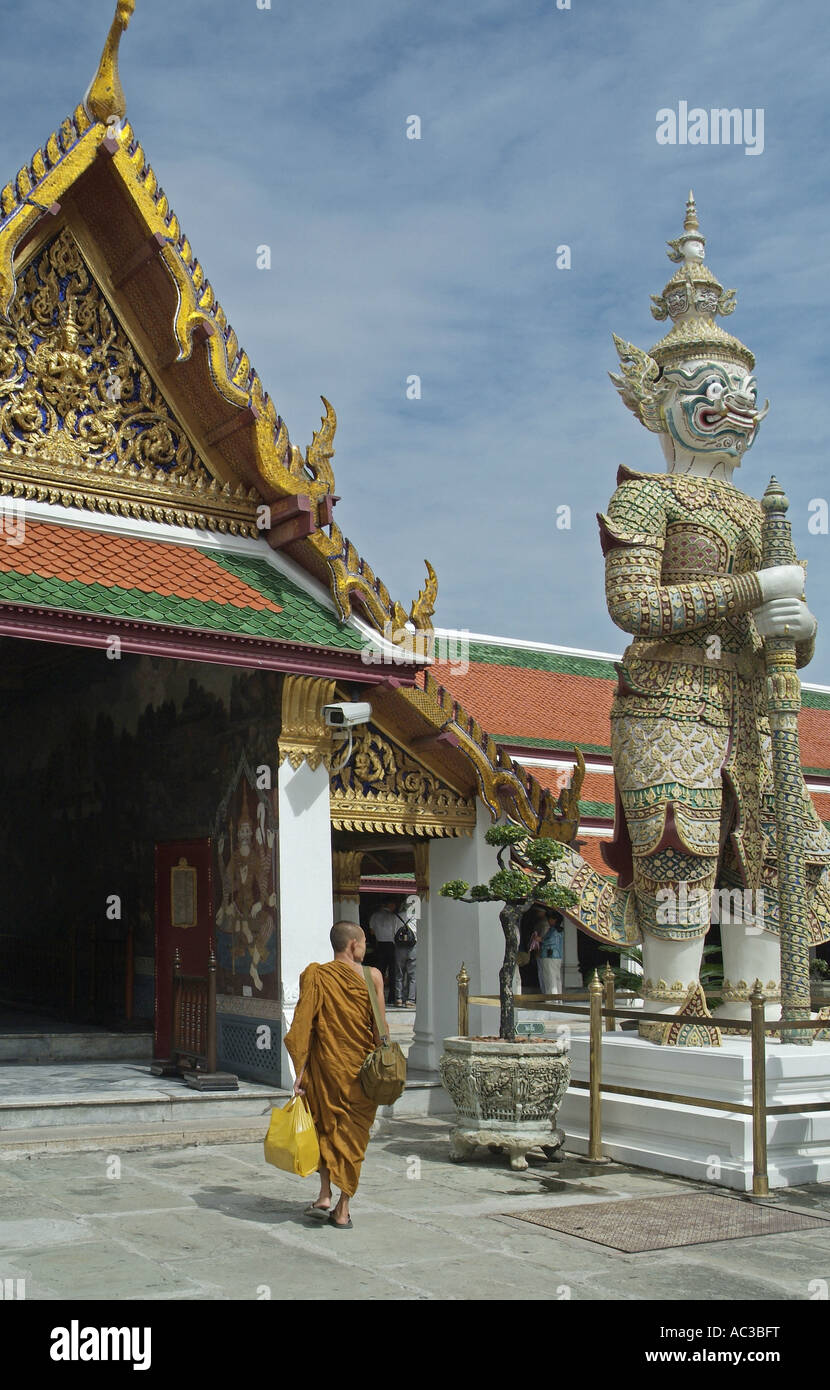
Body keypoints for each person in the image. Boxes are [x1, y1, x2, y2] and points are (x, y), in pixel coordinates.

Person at [283, 921, 386, 1229]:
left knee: (326, 1129)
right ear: (353, 945)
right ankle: (342, 1208)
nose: (365, 948)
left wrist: (300, 1071)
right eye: (364, 942)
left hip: (325, 1068)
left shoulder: (317, 975)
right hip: (360, 1074)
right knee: (352, 1137)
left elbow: (304, 1026)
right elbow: (381, 1029)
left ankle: (325, 1193)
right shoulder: (372, 977)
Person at [368, 896, 400, 1005]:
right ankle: (392, 997)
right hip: (391, 945)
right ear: (390, 905)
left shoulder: (375, 915)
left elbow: (371, 931)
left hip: (380, 944)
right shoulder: (393, 917)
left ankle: (377, 995)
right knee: (392, 972)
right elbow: (396, 932)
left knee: (379, 971)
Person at [532, 908, 565, 997]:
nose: (549, 920)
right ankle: (558, 998)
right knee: (557, 978)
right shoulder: (560, 930)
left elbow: (550, 941)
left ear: (554, 920)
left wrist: (540, 939)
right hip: (558, 956)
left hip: (549, 955)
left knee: (550, 978)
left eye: (550, 918)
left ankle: (551, 998)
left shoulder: (553, 930)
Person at [393, 894, 418, 1007]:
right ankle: (410, 1000)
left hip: (399, 948)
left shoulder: (397, 916)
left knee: (399, 974)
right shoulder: (416, 918)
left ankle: (398, 998)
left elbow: (393, 932)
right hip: (413, 947)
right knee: (412, 975)